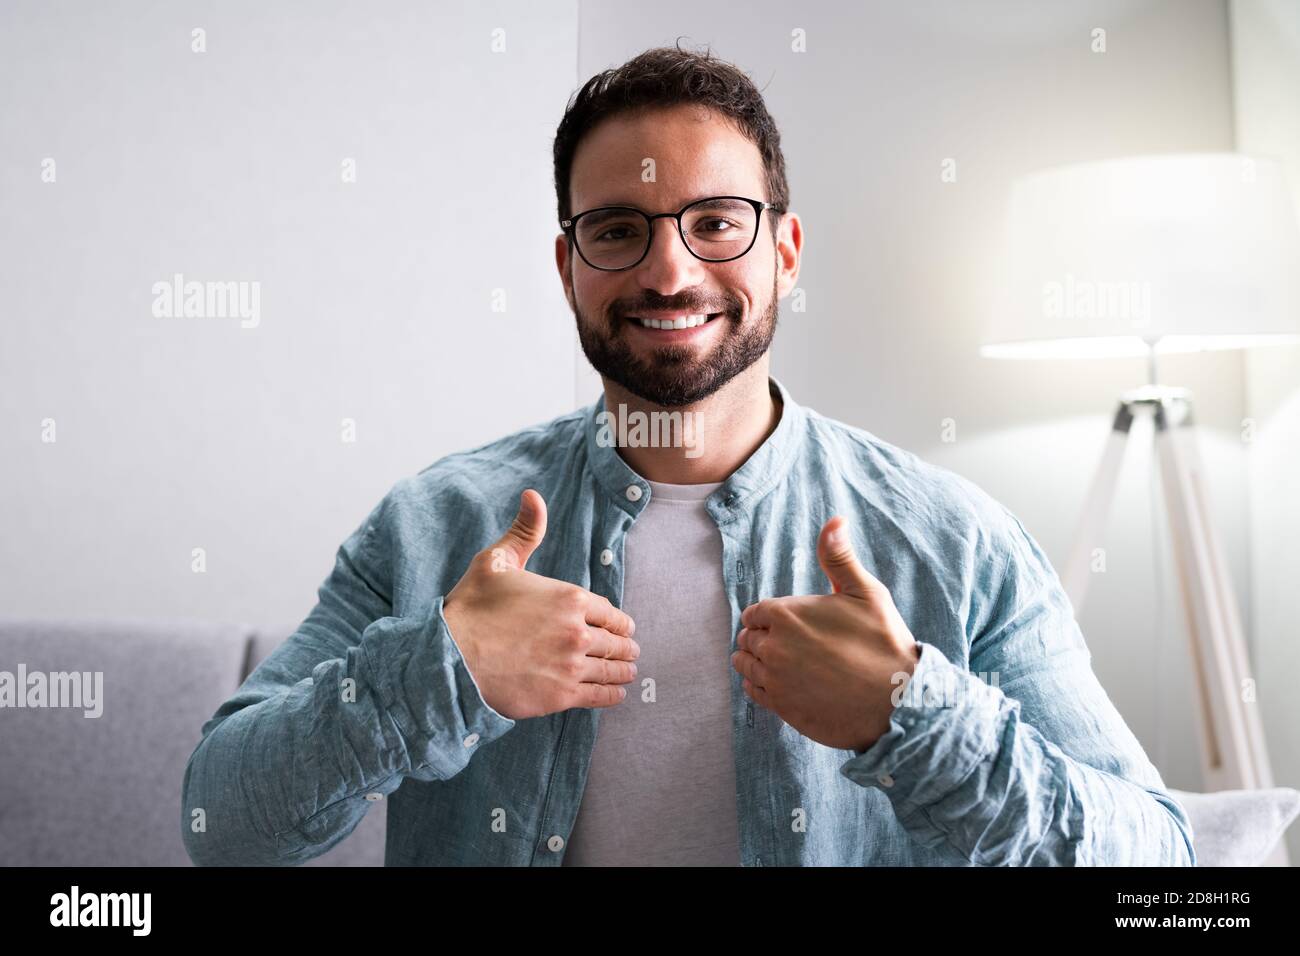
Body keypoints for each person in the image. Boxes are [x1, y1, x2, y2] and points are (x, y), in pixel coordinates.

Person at [181, 44, 1196, 867]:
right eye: (619, 229)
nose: (670, 270)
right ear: (568, 266)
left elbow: (1164, 871)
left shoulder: (955, 539)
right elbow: (218, 825)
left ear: (784, 251)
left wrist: (912, 717)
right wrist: (437, 673)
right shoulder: (433, 523)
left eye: (716, 222)